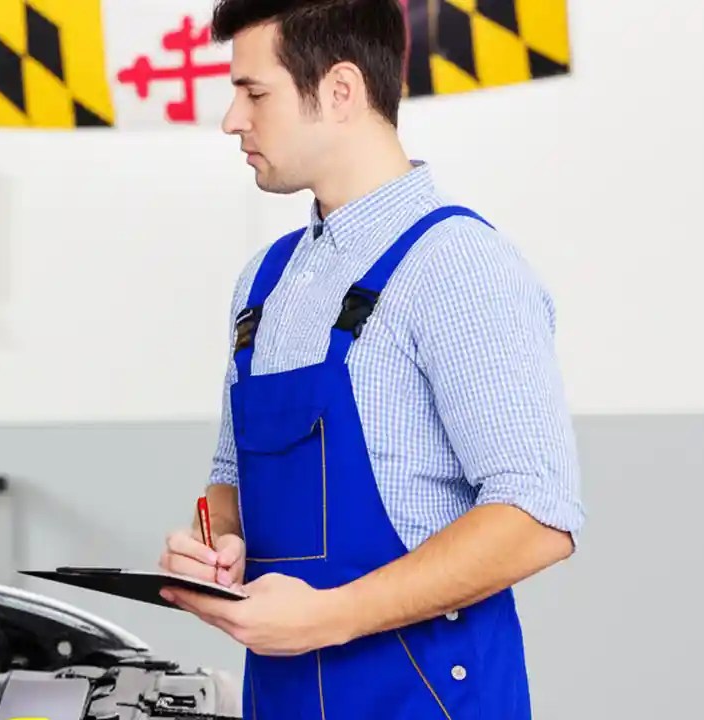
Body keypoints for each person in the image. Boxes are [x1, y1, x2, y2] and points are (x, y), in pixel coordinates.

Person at [156, 0, 586, 718]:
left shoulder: (457, 267)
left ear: (341, 91)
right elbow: (229, 485)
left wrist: (325, 618)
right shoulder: (265, 283)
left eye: (253, 92)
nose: (232, 119)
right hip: (283, 696)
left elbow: (537, 516)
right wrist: (216, 549)